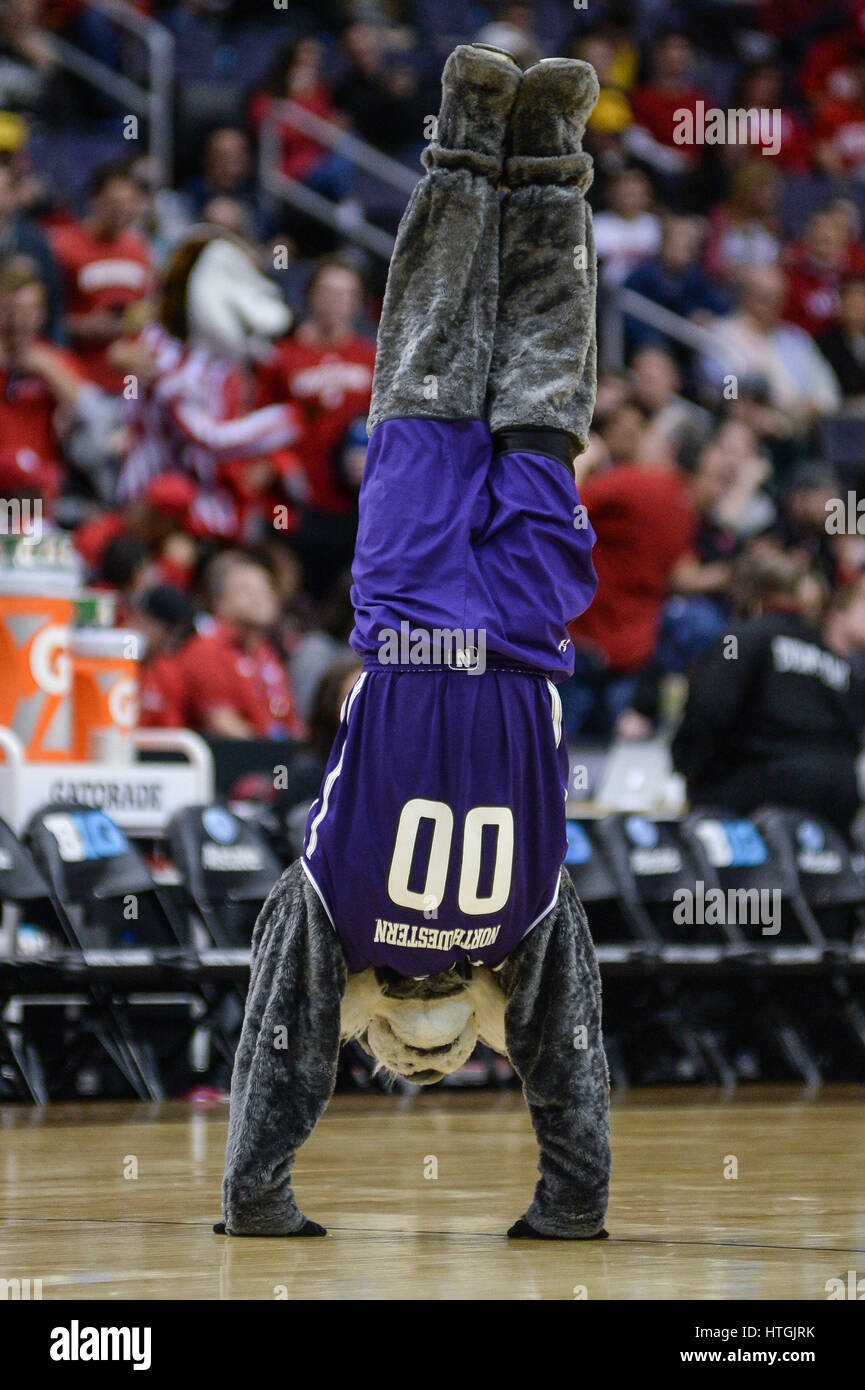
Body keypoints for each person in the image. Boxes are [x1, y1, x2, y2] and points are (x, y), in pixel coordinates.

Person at [218, 46, 610, 1242]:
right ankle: (467, 127)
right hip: (410, 627)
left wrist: (571, 1204)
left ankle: (547, 157)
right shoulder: (335, 914)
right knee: (432, 364)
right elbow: (278, 1046)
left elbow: (571, 1062)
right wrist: (256, 1194)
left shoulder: (525, 922)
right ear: (375, 1009)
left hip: (530, 630)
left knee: (541, 397)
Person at [673, 553, 865, 837]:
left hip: (769, 785)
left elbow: (709, 708)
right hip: (840, 791)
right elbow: (855, 726)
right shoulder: (831, 655)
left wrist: (688, 768)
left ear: (746, 593)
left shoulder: (741, 639)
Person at [256, 253, 376, 596]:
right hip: (299, 503)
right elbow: (260, 426)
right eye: (327, 291)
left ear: (356, 302)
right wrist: (280, 467)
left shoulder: (372, 357)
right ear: (309, 295)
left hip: (356, 504)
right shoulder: (282, 357)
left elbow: (393, 430)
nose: (335, 302)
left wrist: (376, 459)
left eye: (345, 294)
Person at [176, 552, 303, 740]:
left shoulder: (266, 652)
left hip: (278, 758)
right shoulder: (205, 650)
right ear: (219, 602)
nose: (260, 598)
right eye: (246, 591)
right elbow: (222, 724)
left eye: (266, 589)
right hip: (238, 761)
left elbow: (291, 721)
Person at [50, 161, 152, 393]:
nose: (121, 211)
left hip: (130, 380)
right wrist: (85, 327)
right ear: (94, 199)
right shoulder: (63, 247)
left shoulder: (139, 249)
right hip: (82, 378)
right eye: (115, 203)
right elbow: (46, 319)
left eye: (128, 203)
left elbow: (149, 307)